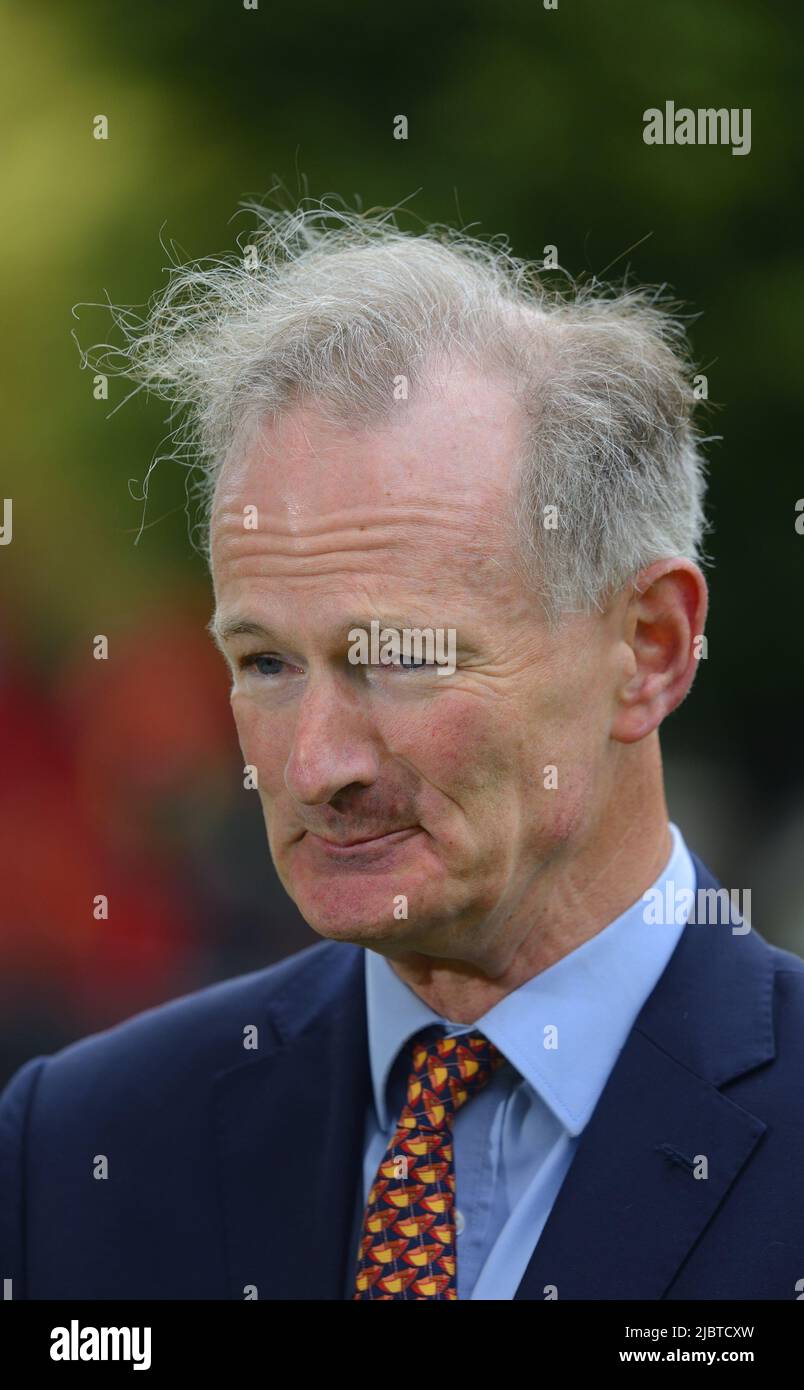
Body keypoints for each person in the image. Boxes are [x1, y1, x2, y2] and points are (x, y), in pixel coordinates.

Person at [2, 205, 803, 1300]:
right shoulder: (80, 1146)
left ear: (649, 648)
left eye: (401, 658)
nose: (315, 765)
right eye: (267, 664)